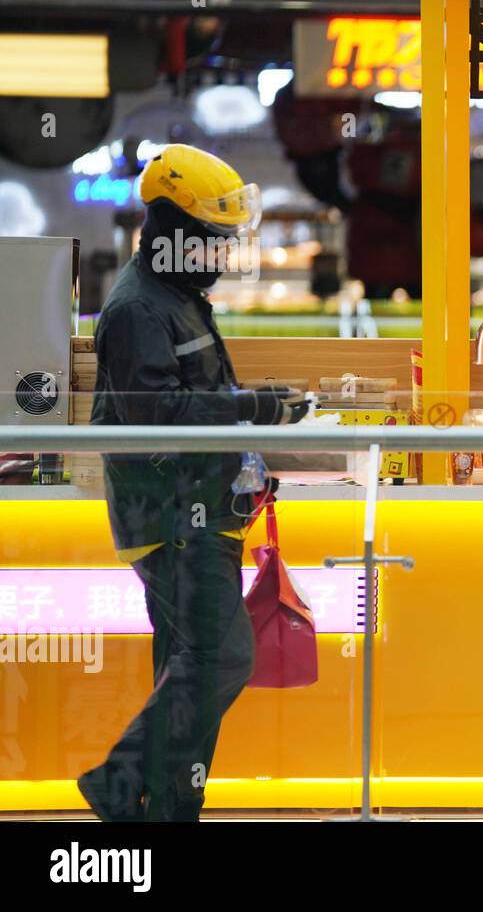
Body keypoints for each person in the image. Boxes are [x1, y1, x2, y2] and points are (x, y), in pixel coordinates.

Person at [79, 144, 309, 821]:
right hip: (172, 518)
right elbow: (157, 415)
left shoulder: (177, 298)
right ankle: (119, 782)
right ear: (172, 233)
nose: (223, 254)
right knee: (221, 654)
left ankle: (170, 808)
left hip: (202, 511)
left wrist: (248, 450)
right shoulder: (136, 310)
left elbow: (195, 398)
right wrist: (251, 407)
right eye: (214, 241)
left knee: (184, 667)